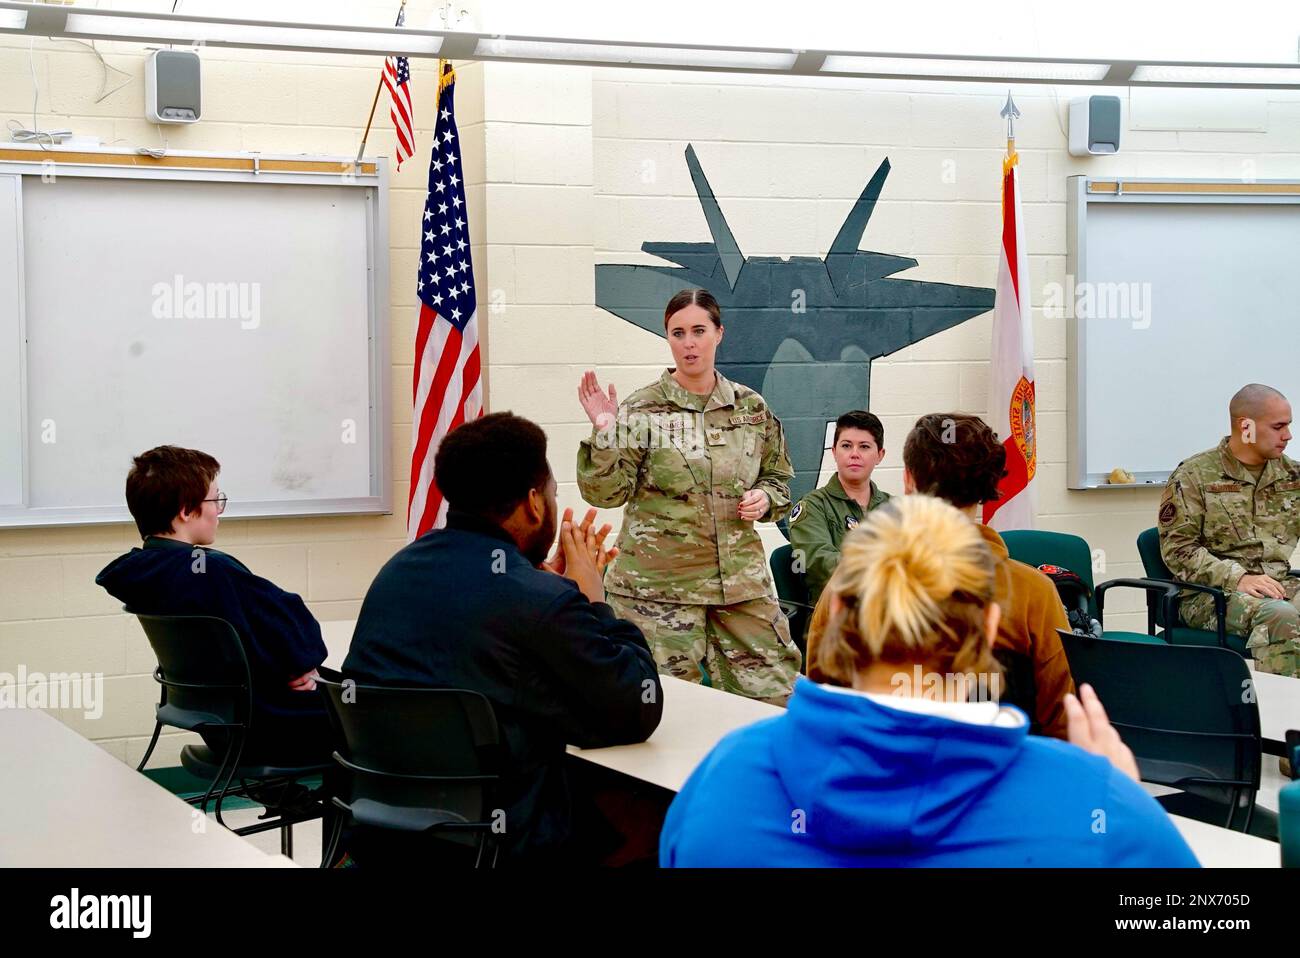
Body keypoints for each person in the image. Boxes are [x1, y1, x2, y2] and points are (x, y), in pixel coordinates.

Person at [660, 495, 1199, 867]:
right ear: (990, 623)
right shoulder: (1097, 810)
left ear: (841, 614)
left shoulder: (721, 779)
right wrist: (1127, 803)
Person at [343, 412, 663, 864]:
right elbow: (637, 708)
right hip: (503, 843)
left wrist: (552, 593)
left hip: (387, 835)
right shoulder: (536, 602)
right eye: (552, 495)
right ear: (534, 503)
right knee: (665, 811)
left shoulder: (396, 572)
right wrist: (592, 598)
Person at [576, 287, 801, 704]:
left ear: (719, 333)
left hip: (739, 586)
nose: (689, 343)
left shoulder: (751, 407)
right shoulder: (641, 409)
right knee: (665, 709)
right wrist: (606, 434)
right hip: (658, 593)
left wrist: (767, 499)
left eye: (699, 330)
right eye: (677, 333)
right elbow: (605, 494)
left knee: (775, 696)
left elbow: (779, 477)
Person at [806, 413, 1075, 739]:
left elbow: (823, 691)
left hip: (870, 772)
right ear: (986, 489)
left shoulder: (852, 578)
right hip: (998, 776)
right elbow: (1061, 718)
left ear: (907, 479)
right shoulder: (1034, 592)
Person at [95, 445, 331, 765]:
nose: (218, 511)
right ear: (186, 510)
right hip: (273, 726)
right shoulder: (211, 571)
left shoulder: (138, 574)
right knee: (373, 706)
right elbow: (294, 634)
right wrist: (303, 664)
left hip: (219, 725)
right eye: (214, 500)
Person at [1161, 383, 1300, 677]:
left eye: (1288, 426)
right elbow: (1178, 550)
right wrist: (1237, 577)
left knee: (1279, 607)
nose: (1288, 435)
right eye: (1278, 427)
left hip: (1277, 584)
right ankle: (1278, 717)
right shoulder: (1195, 475)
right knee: (1280, 616)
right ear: (1245, 426)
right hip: (1209, 595)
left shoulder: (1293, 476)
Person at [789, 409, 891, 610]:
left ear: (880, 455)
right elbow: (821, 563)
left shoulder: (894, 508)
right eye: (846, 446)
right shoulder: (813, 506)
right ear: (834, 452)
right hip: (835, 617)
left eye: (864, 446)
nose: (854, 454)